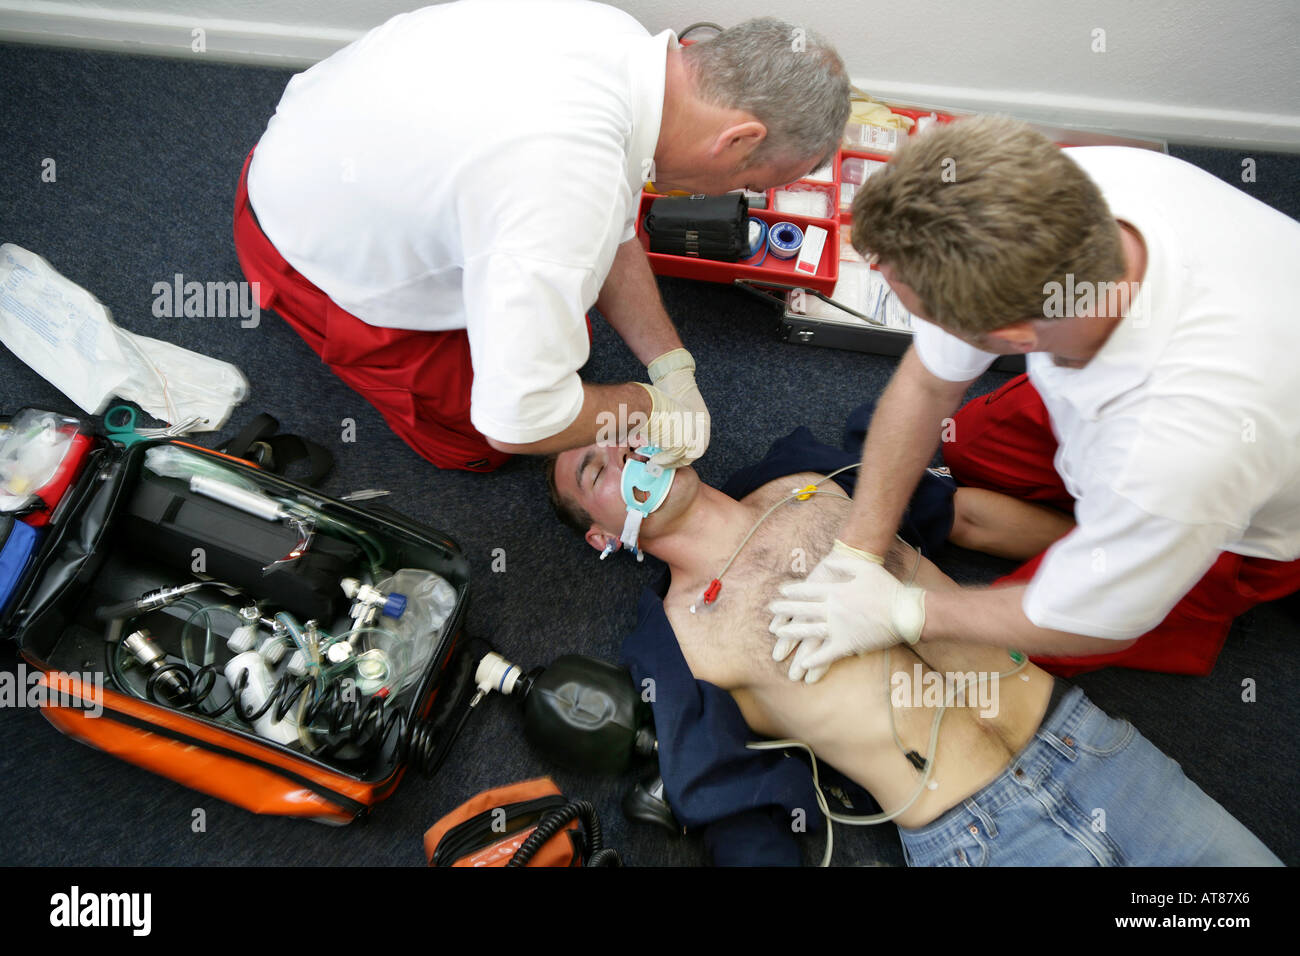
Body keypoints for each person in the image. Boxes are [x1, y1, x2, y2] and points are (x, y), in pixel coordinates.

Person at [545, 416, 1280, 865]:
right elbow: (730, 801)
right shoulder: (673, 641)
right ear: (603, 535)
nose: (623, 457)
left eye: (623, 437)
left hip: (1091, 750)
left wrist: (1145, 566)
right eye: (595, 470)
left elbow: (962, 519)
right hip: (977, 841)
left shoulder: (806, 475)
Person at [771, 115, 1300, 678]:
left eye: (924, 316)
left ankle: (1177, 579)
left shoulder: (1177, 451)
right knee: (967, 446)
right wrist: (858, 549)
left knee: (1009, 653)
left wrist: (904, 611)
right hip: (1119, 396)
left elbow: (1084, 622)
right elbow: (927, 384)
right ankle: (1112, 536)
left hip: (1237, 508)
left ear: (1014, 340)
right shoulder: (1067, 184)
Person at [233, 2, 849, 471]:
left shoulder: (621, 43)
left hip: (327, 145)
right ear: (738, 139)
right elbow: (516, 422)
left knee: (562, 337)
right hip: (299, 246)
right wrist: (647, 408)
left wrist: (671, 367)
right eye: (753, 181)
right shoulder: (564, 185)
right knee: (478, 443)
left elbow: (611, 220)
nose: (731, 198)